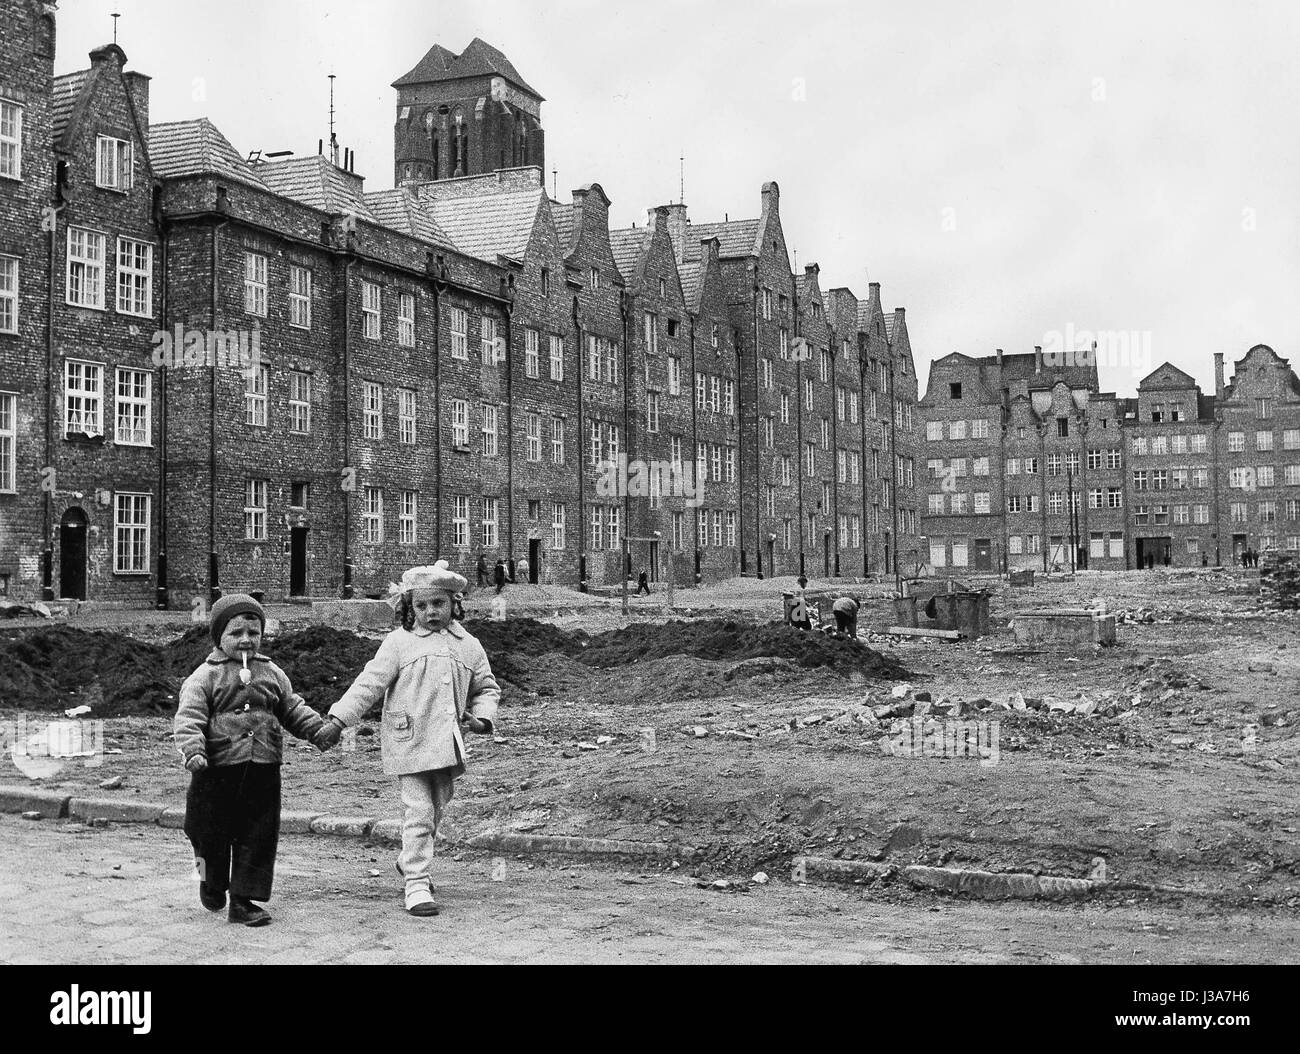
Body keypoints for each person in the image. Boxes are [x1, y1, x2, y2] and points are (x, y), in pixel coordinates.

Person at [315, 562, 500, 917]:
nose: (430, 612)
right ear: (408, 607)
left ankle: (407, 858)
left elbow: (487, 688)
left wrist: (484, 717)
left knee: (436, 811)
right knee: (418, 811)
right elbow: (369, 684)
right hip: (410, 741)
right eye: (421, 606)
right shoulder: (399, 643)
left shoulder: (470, 646)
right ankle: (416, 882)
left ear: (454, 604)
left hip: (447, 745)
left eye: (438, 604)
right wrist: (338, 720)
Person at [173, 594, 327, 926]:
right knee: (203, 831)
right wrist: (194, 751)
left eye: (253, 633)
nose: (246, 640)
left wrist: (317, 730)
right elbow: (189, 718)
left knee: (258, 834)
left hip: (262, 767)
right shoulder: (204, 677)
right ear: (218, 637)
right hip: (215, 770)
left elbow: (291, 707)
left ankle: (243, 900)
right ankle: (209, 879)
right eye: (236, 633)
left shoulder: (272, 672)